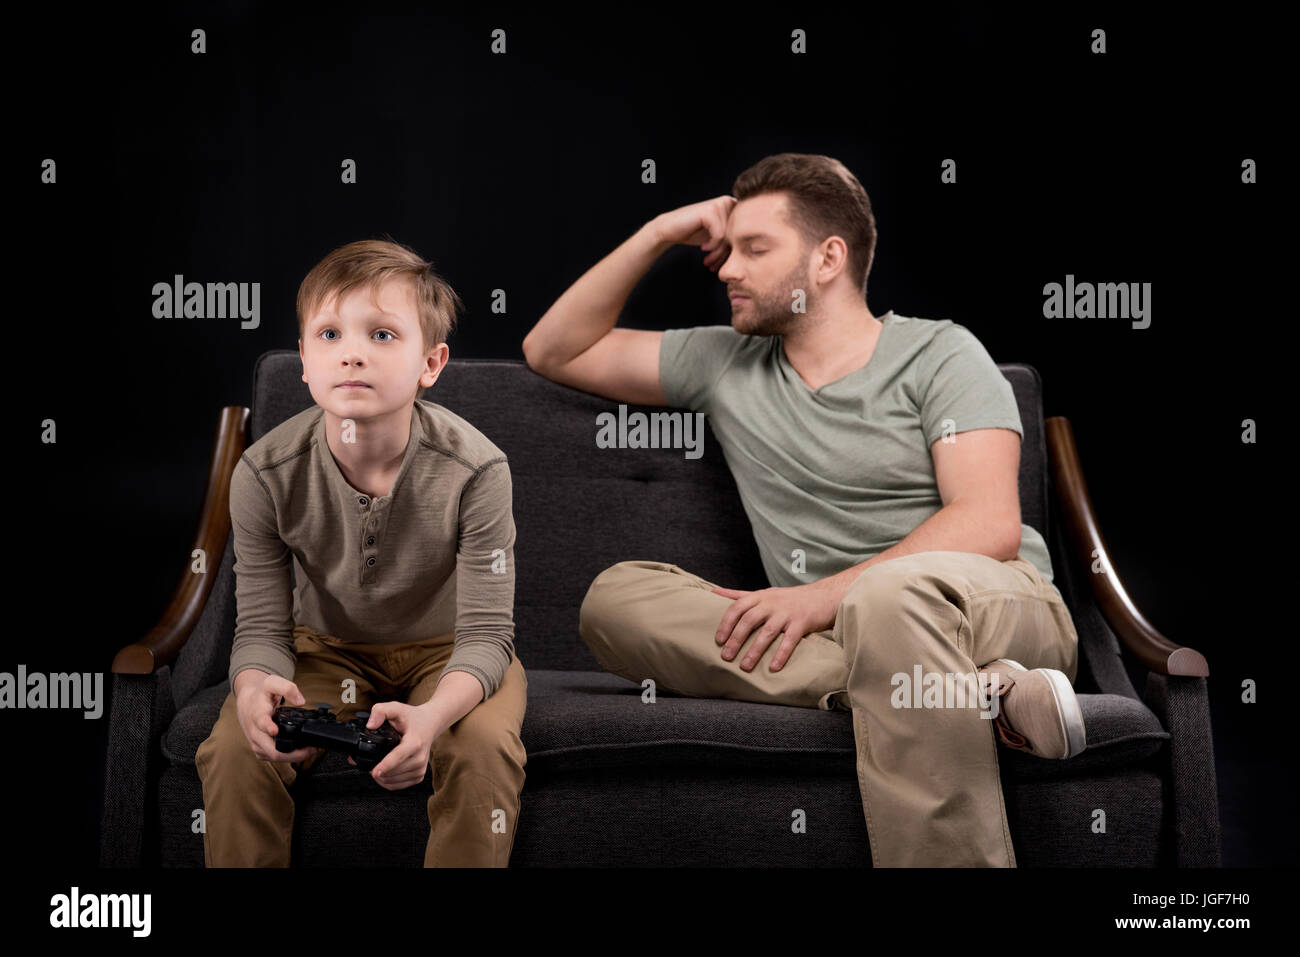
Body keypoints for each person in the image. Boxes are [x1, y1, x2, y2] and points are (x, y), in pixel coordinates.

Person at [522, 153, 1085, 867]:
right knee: (617, 600)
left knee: (888, 597)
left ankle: (935, 679)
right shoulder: (724, 363)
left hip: (993, 601)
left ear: (828, 258)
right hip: (864, 634)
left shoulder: (941, 352)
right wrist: (660, 233)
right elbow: (552, 348)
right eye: (726, 251)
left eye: (755, 249)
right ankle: (977, 695)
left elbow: (989, 523)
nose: (727, 268)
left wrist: (818, 599)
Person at [196, 239, 528, 867]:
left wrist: (430, 720)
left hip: (450, 651)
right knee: (236, 748)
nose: (350, 352)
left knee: (482, 746)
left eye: (380, 335)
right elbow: (263, 627)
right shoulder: (263, 473)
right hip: (325, 648)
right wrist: (252, 686)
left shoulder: (477, 469)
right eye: (327, 334)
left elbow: (488, 635)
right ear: (302, 359)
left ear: (430, 363)